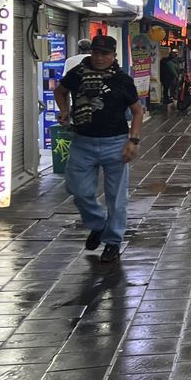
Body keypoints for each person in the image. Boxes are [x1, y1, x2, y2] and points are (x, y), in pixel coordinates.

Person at [54, 35, 143, 263]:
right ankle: (98, 223)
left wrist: (132, 141)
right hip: (83, 143)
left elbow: (137, 112)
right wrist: (64, 110)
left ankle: (113, 242)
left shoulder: (122, 80)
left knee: (116, 197)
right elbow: (60, 91)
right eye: (96, 53)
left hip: (116, 143)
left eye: (105, 54)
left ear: (113, 56)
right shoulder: (77, 74)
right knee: (77, 189)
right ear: (90, 53)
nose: (99, 58)